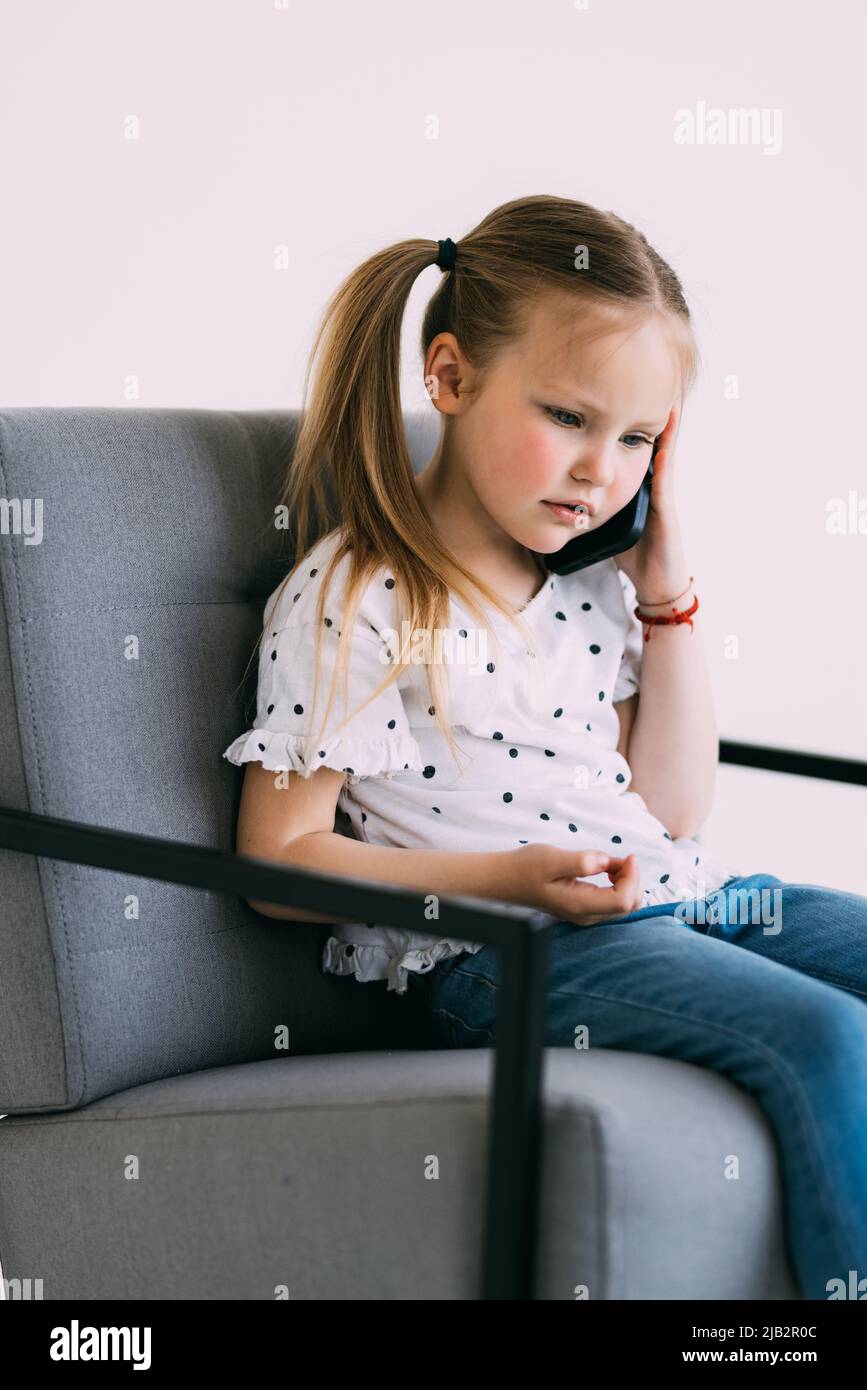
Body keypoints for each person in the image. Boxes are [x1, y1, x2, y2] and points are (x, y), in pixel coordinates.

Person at [222, 194, 867, 1301]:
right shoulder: (355, 593)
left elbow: (670, 809)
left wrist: (666, 600)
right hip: (507, 952)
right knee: (827, 1037)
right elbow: (277, 861)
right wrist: (507, 881)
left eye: (635, 439)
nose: (599, 472)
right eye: (569, 417)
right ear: (451, 377)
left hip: (686, 897)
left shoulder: (584, 594)